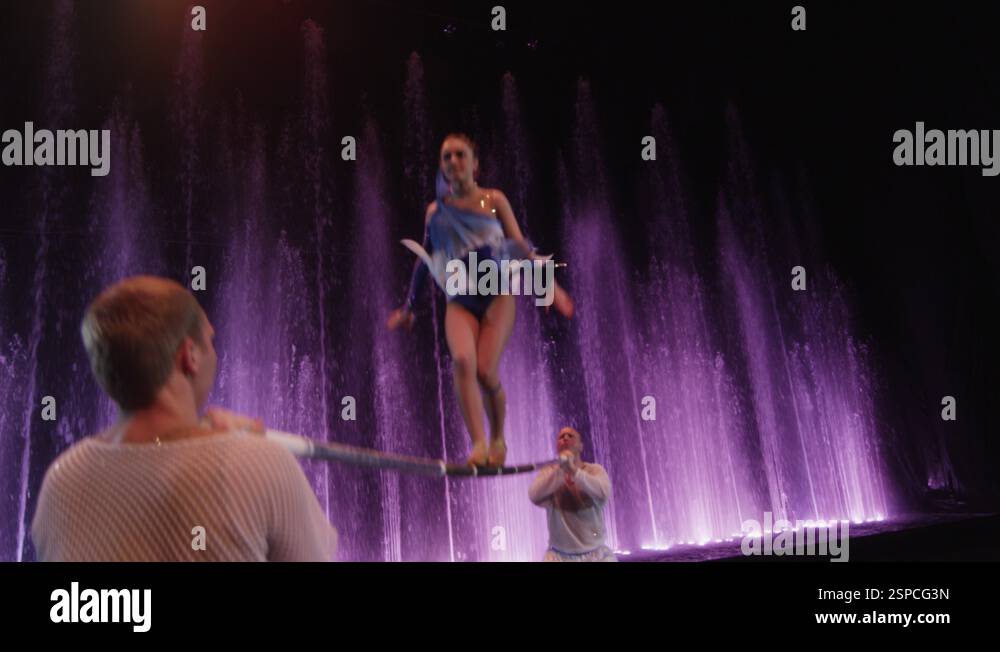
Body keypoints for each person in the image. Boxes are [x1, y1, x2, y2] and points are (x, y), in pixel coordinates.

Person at [30, 275, 337, 562]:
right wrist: (246, 452)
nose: (215, 353)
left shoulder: (60, 480)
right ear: (189, 355)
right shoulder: (260, 464)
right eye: (210, 340)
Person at [387, 132, 574, 468]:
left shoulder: (493, 200)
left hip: (496, 297)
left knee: (486, 372)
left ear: (475, 164)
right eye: (447, 157)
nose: (453, 162)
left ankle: (499, 437)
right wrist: (409, 307)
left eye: (460, 155)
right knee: (462, 360)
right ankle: (477, 443)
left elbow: (518, 246)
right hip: (460, 299)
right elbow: (425, 259)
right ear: (442, 168)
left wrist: (550, 287)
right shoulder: (435, 213)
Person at [528, 427, 615, 562]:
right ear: (557, 446)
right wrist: (562, 470)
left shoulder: (594, 470)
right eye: (561, 437)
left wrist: (574, 471)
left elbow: (603, 491)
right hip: (558, 556)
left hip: (596, 555)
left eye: (570, 436)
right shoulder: (549, 473)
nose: (565, 438)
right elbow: (534, 495)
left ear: (581, 446)